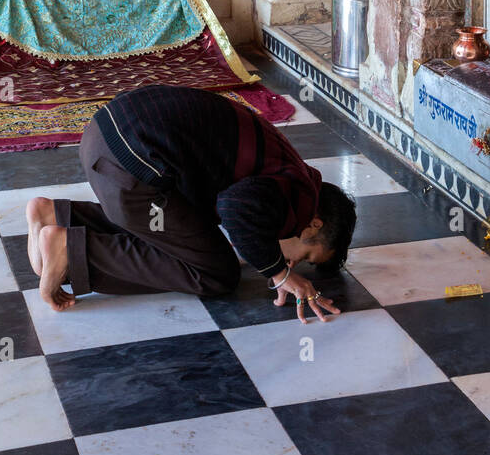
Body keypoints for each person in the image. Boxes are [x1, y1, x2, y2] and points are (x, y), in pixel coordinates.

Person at [26, 83, 357, 321]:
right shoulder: (298, 199)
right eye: (306, 256)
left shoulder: (291, 170)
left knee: (183, 232)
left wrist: (246, 249)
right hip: (131, 167)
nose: (295, 263)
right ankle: (71, 249)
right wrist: (279, 274)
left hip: (106, 138)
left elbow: (219, 211)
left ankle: (57, 215)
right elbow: (235, 209)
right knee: (216, 272)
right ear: (314, 223)